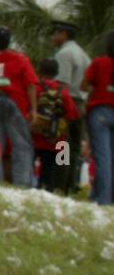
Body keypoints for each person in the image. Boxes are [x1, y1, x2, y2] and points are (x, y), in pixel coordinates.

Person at [0, 25, 39, 187]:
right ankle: (22, 183)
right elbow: (31, 85)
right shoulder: (20, 59)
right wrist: (33, 109)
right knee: (21, 145)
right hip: (16, 103)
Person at [50, 21, 91, 194]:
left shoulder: (64, 53)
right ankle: (71, 183)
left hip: (68, 103)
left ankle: (60, 184)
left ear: (63, 34)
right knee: (74, 147)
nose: (53, 37)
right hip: (81, 103)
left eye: (55, 33)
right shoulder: (82, 54)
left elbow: (61, 85)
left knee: (62, 144)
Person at [32, 59, 80, 192]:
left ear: (40, 71)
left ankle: (31, 186)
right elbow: (72, 115)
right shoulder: (63, 92)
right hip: (55, 140)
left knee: (32, 163)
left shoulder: (36, 88)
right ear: (57, 73)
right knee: (50, 167)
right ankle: (49, 189)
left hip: (35, 137)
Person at [80, 30, 114, 205]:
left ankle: (103, 200)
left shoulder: (99, 62)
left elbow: (83, 86)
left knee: (103, 158)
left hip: (100, 112)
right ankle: (103, 196)